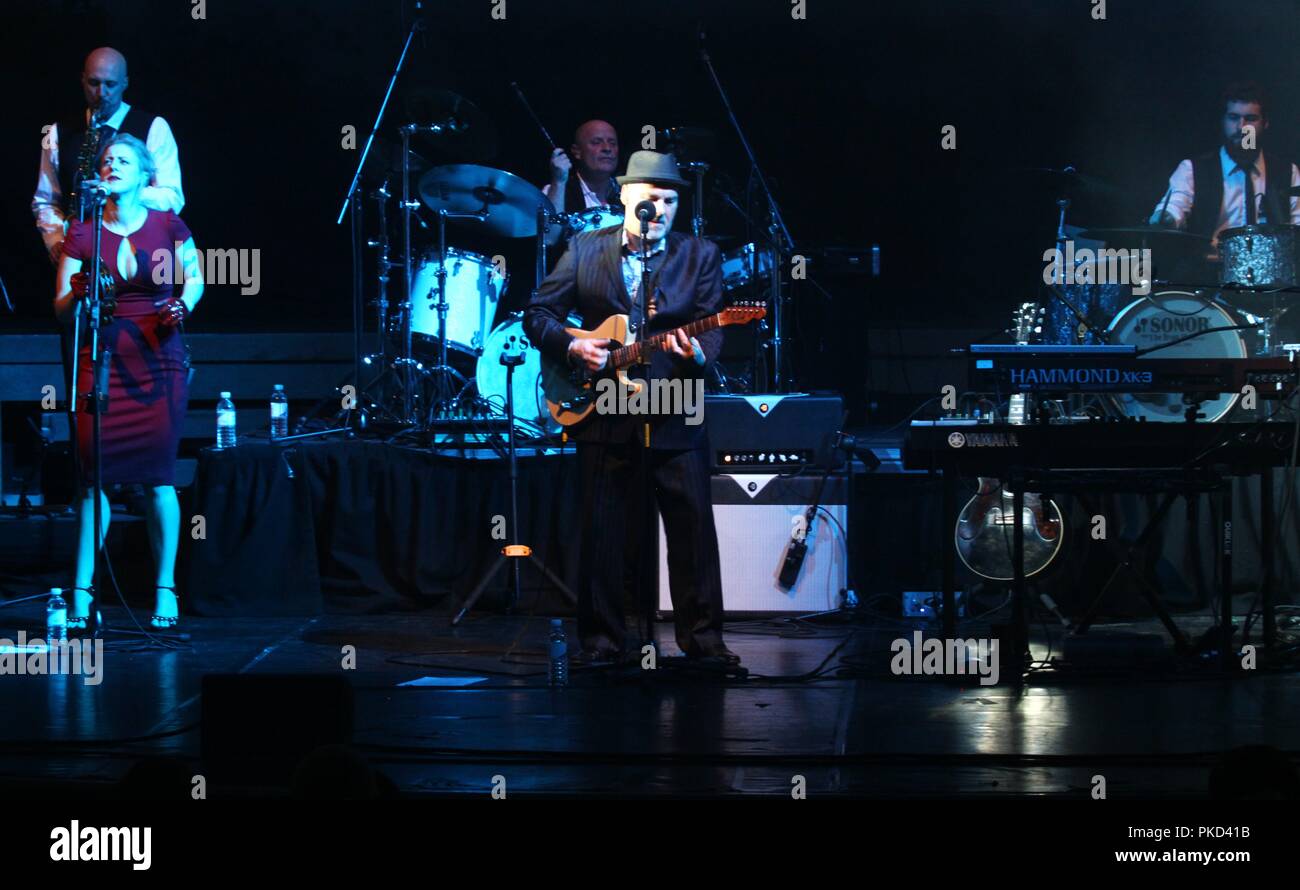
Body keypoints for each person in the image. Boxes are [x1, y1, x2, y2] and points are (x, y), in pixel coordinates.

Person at [524, 150, 738, 665]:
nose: (659, 210)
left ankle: (704, 642)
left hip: (675, 403)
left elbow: (713, 323)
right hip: (603, 404)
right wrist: (573, 346)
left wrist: (698, 351)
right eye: (650, 200)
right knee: (603, 530)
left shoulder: (699, 254)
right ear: (624, 197)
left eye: (669, 201)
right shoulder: (584, 248)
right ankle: (601, 641)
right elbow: (538, 313)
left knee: (690, 530)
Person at [54, 134, 203, 630]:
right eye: (106, 161)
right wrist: (76, 291)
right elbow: (59, 307)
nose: (113, 165)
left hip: (159, 360)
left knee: (159, 479)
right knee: (93, 480)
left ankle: (165, 588)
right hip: (100, 362)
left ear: (144, 174)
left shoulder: (167, 224)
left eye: (123, 160)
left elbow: (195, 277)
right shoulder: (82, 231)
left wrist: (185, 303)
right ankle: (81, 592)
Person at [1151, 81, 1300, 244]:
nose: (1241, 127)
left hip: (1270, 265)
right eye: (1233, 117)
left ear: (1265, 123)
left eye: (1250, 119)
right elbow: (1176, 205)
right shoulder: (1193, 169)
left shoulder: (1287, 171)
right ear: (1223, 121)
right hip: (1209, 265)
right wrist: (1167, 217)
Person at [543, 119, 621, 214]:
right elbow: (552, 229)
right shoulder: (556, 191)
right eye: (597, 142)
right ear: (577, 151)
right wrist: (559, 182)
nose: (607, 148)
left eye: (612, 143)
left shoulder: (631, 191)